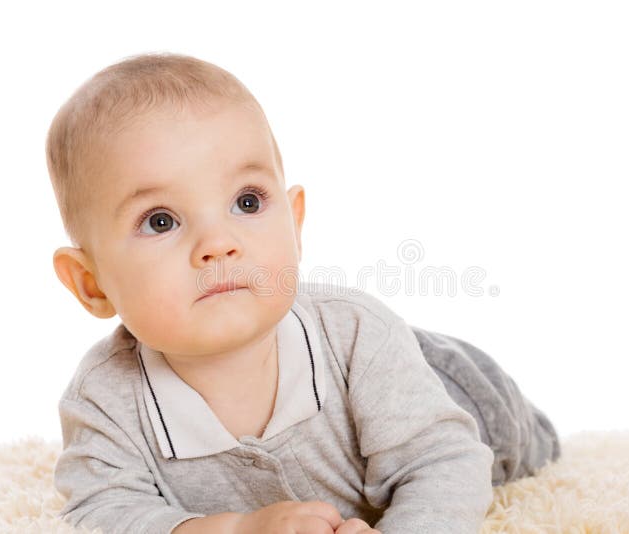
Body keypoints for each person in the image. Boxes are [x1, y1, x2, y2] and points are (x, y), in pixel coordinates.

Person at [47, 52, 560, 534]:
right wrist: (235, 527)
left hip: (450, 384)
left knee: (526, 447)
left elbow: (444, 459)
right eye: (161, 221)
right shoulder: (104, 398)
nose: (218, 244)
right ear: (90, 284)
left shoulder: (359, 336)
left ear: (295, 224)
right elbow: (101, 510)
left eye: (247, 202)